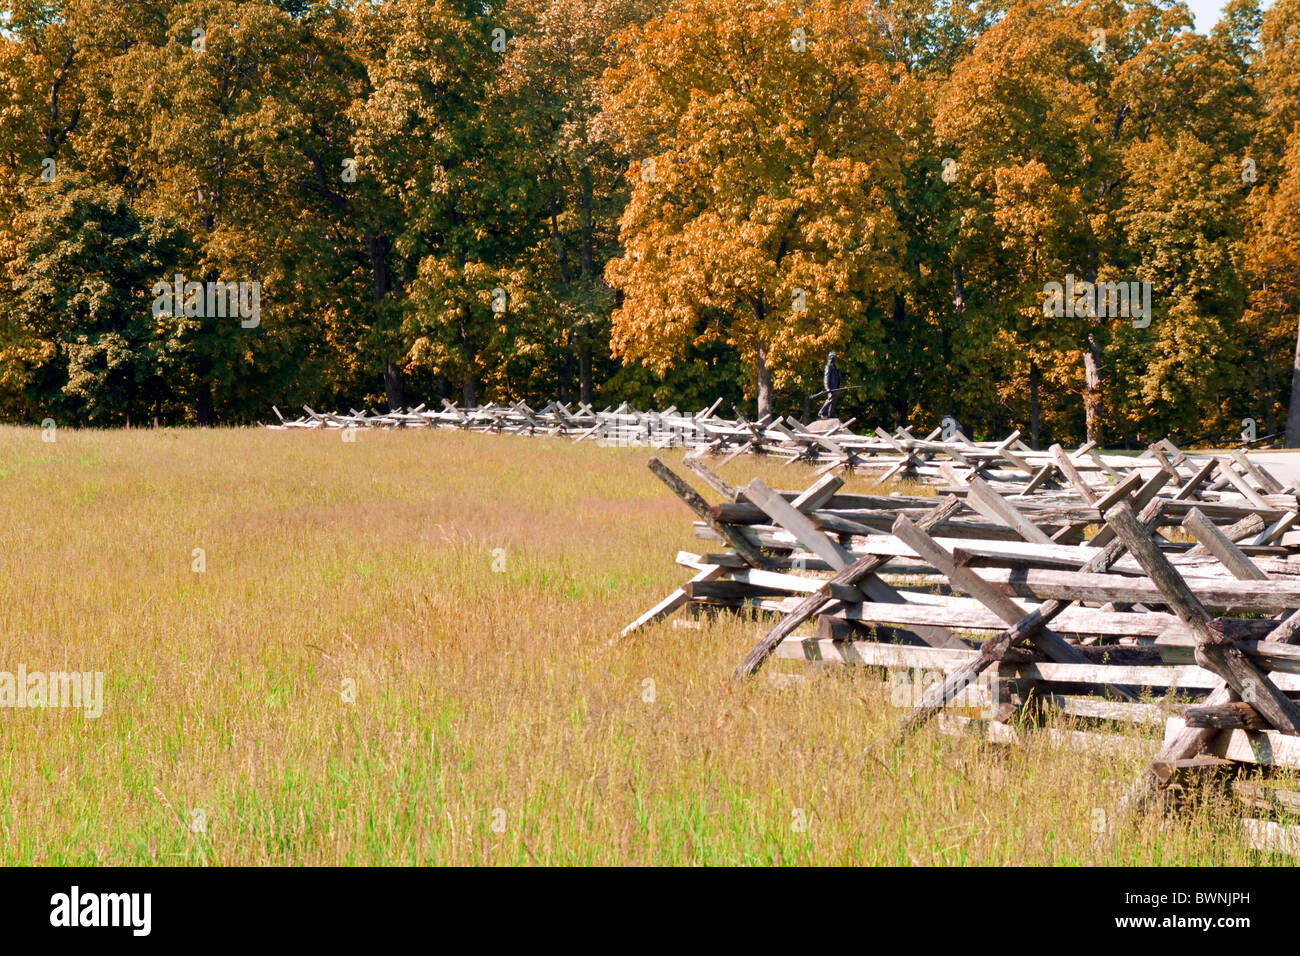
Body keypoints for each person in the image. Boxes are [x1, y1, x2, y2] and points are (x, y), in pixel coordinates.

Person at [818, 351, 840, 419]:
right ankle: (822, 412)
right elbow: (826, 379)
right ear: (831, 358)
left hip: (835, 387)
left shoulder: (834, 367)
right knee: (830, 399)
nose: (835, 359)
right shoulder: (828, 366)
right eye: (834, 357)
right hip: (831, 388)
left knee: (834, 400)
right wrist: (827, 388)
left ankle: (831, 413)